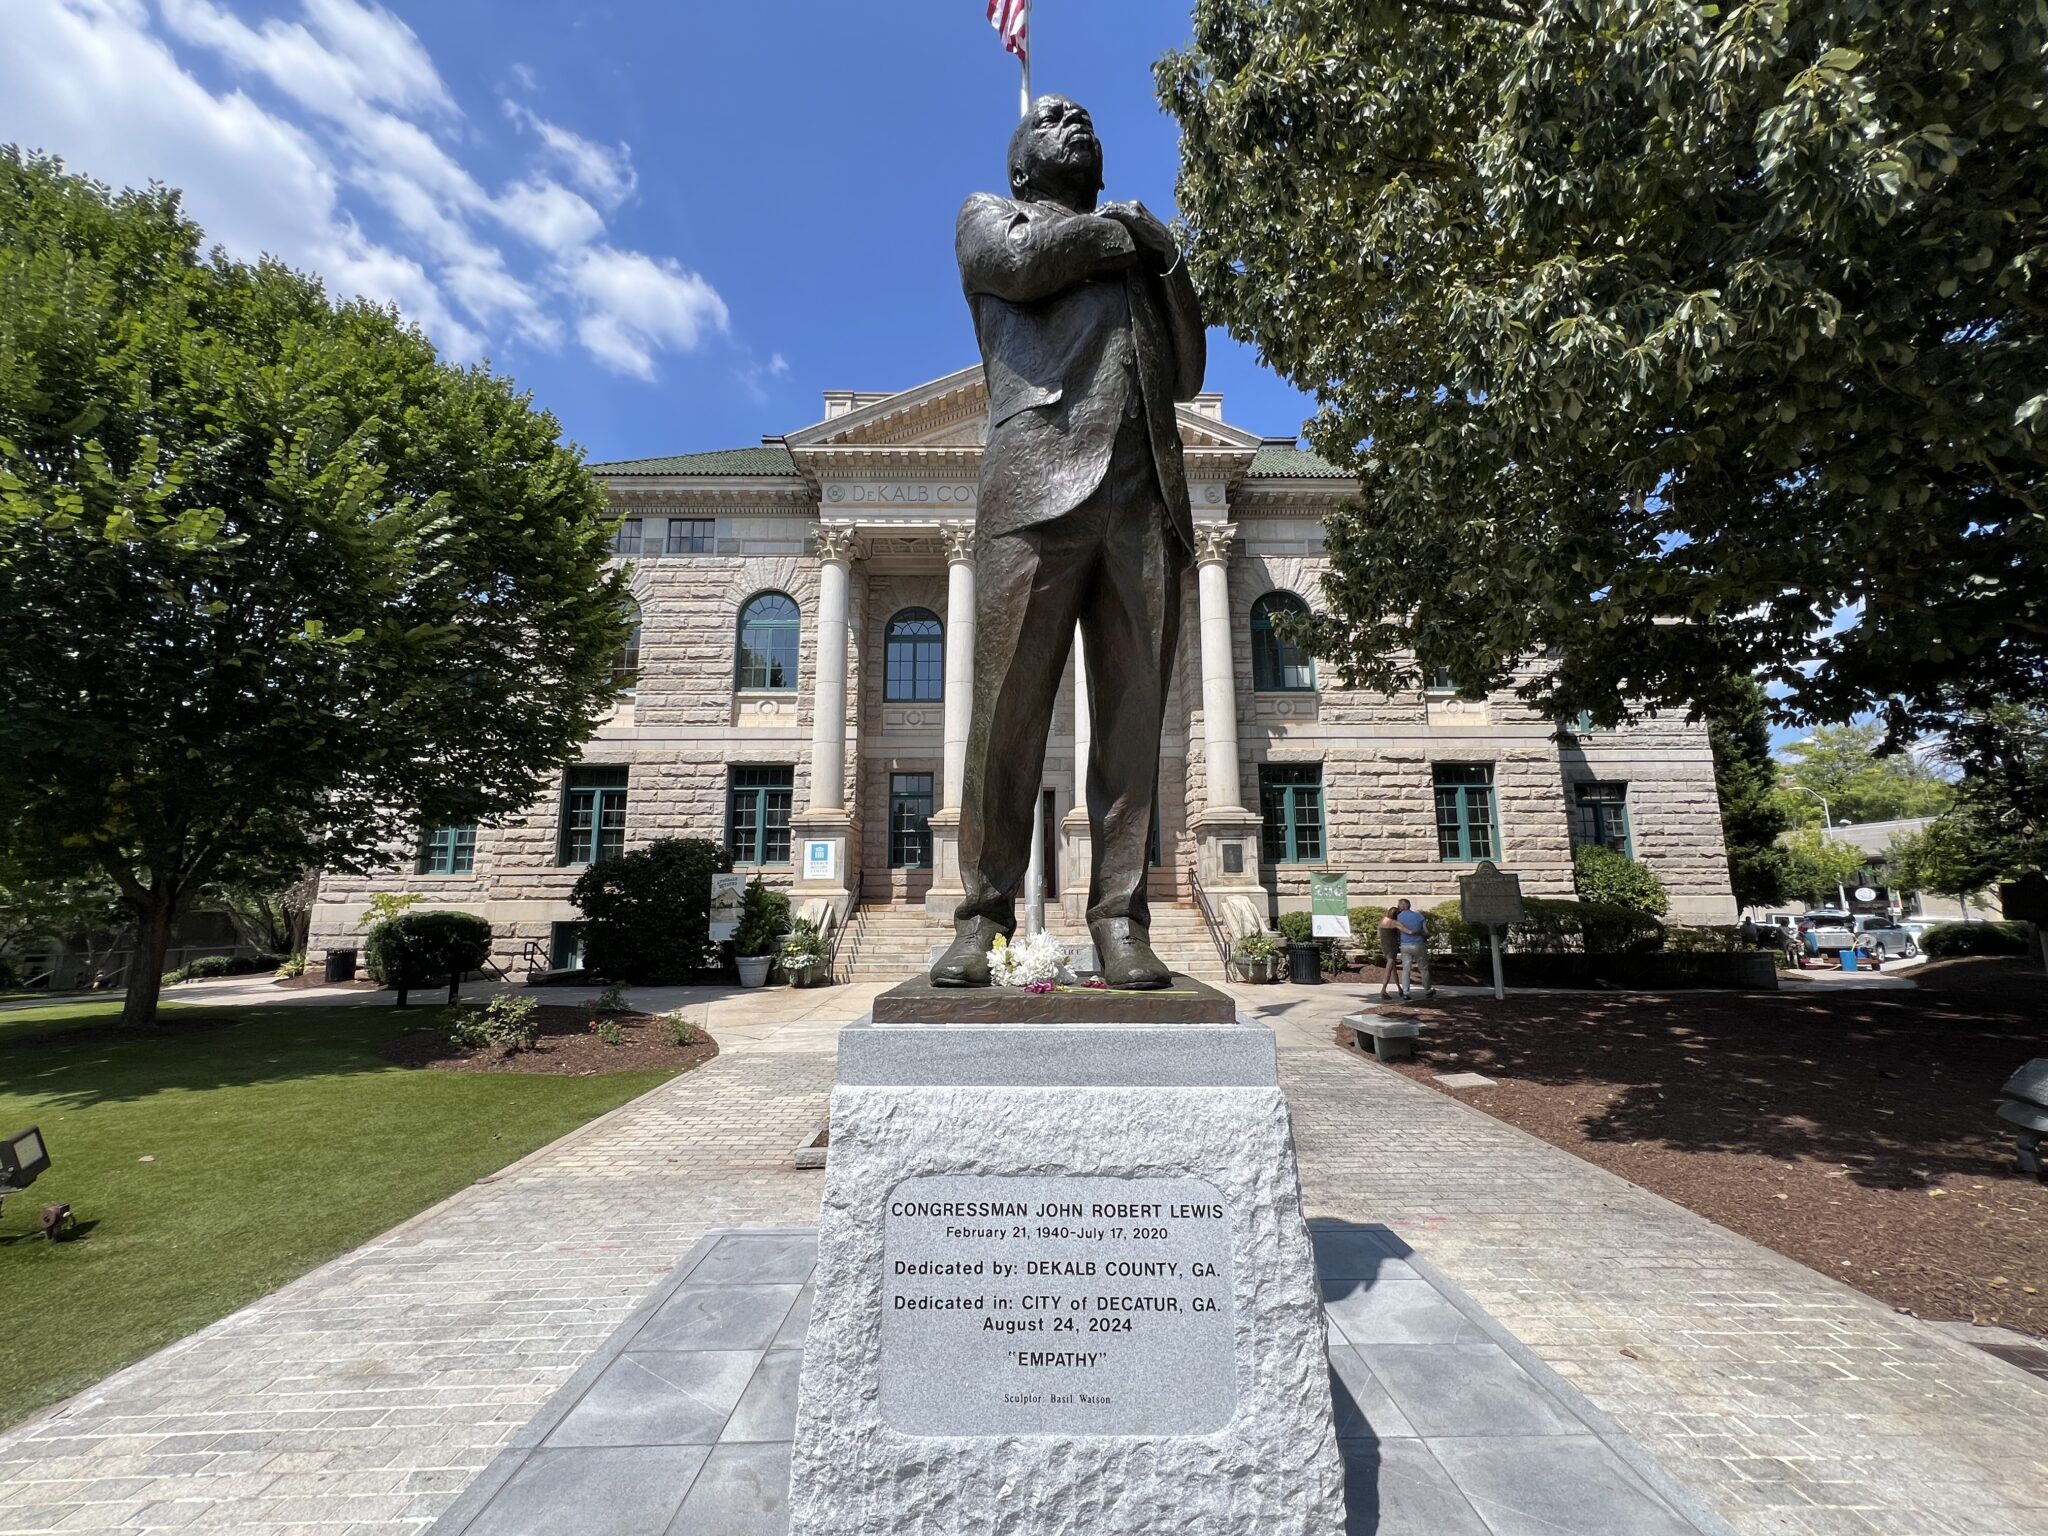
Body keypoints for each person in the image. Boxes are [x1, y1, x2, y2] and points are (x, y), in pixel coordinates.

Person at [931, 95, 1206, 988]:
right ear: (1021, 164)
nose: (1076, 125)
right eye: (1052, 119)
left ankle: (1121, 920)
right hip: (1033, 486)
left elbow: (1190, 367)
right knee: (1007, 710)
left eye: (1087, 119)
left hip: (1143, 496)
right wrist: (1116, 235)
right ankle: (981, 917)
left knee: (1132, 724)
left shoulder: (1137, 253)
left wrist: (1166, 257)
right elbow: (1013, 265)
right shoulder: (988, 212)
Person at [1393, 899, 1434, 1001]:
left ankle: (1406, 992)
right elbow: (1426, 931)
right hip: (1419, 944)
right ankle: (1428, 990)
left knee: (1406, 969)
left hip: (1405, 945)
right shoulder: (1419, 916)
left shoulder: (1398, 917)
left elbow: (1397, 931)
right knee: (1423, 968)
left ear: (1404, 906)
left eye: (1399, 905)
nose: (1398, 906)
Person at [1376, 906, 1402, 1000]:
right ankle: (1383, 989)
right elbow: (1402, 932)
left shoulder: (1382, 920)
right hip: (1392, 946)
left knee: (1392, 967)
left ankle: (1399, 988)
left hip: (1384, 945)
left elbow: (1378, 934)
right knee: (1389, 967)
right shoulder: (1394, 922)